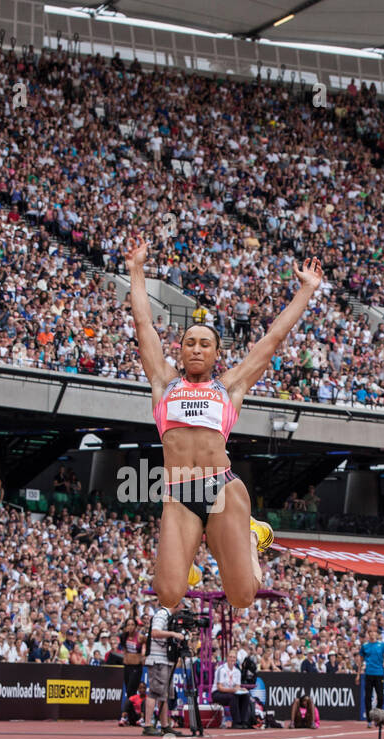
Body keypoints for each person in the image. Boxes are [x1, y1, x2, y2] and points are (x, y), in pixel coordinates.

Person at [126, 234, 323, 609]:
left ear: (216, 354)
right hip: (178, 492)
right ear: (180, 350)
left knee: (242, 597)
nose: (196, 348)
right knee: (167, 595)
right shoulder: (163, 383)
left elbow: (273, 338)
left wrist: (306, 291)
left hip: (221, 488)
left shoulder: (229, 386)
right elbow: (143, 325)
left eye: (204, 344)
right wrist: (136, 269)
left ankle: (249, 536)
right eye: (189, 343)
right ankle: (203, 553)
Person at [141, 601, 185, 737]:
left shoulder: (167, 615)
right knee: (154, 692)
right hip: (157, 659)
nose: (183, 609)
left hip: (165, 659)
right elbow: (154, 633)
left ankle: (165, 725)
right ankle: (148, 725)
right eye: (182, 605)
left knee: (163, 695)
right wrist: (173, 634)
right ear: (177, 604)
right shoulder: (161, 614)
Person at [213, 653, 252, 728]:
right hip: (218, 693)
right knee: (233, 697)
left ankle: (244, 722)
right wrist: (233, 690)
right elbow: (219, 687)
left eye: (234, 657)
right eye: (230, 657)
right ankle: (236, 722)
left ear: (236, 659)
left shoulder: (237, 671)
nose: (232, 659)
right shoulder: (221, 669)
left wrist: (241, 689)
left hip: (231, 692)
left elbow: (237, 687)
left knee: (246, 696)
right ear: (227, 658)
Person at [360, 627, 384, 728]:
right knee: (368, 697)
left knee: (380, 697)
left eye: (373, 632)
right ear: (368, 634)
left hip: (379, 673)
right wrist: (358, 674)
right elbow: (360, 661)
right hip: (369, 673)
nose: (372, 634)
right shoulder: (365, 646)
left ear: (376, 634)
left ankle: (378, 717)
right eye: (370, 632)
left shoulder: (382, 645)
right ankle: (369, 720)